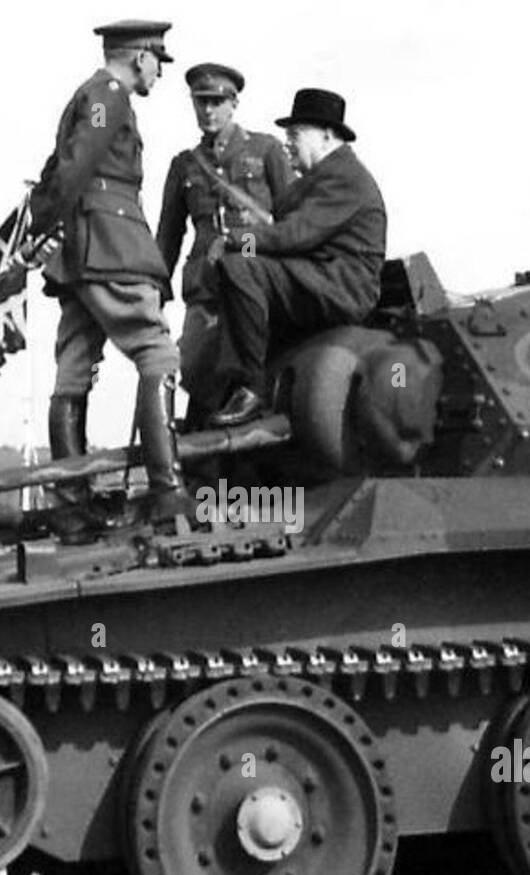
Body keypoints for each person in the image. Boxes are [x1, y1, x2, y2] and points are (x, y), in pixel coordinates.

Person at [28, 20, 191, 522]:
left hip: (83, 253)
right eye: (157, 62)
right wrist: (45, 224)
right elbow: (75, 164)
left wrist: (46, 227)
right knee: (158, 353)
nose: (159, 73)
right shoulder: (108, 97)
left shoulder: (94, 95)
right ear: (139, 55)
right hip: (110, 246)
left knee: (74, 365)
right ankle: (168, 491)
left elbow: (60, 167)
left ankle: (71, 503)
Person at [207, 88, 387, 428]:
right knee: (241, 268)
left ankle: (252, 387)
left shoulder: (345, 177)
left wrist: (236, 241)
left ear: (326, 136)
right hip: (317, 276)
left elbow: (295, 235)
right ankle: (242, 382)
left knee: (241, 266)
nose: (287, 143)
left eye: (294, 134)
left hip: (341, 287)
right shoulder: (321, 178)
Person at [155, 64, 294, 429]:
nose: (208, 111)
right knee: (200, 371)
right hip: (206, 285)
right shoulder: (184, 165)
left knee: (261, 368)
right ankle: (209, 474)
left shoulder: (266, 151)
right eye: (201, 102)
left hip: (255, 276)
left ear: (234, 103)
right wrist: (154, 289)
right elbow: (168, 236)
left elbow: (292, 219)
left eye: (216, 102)